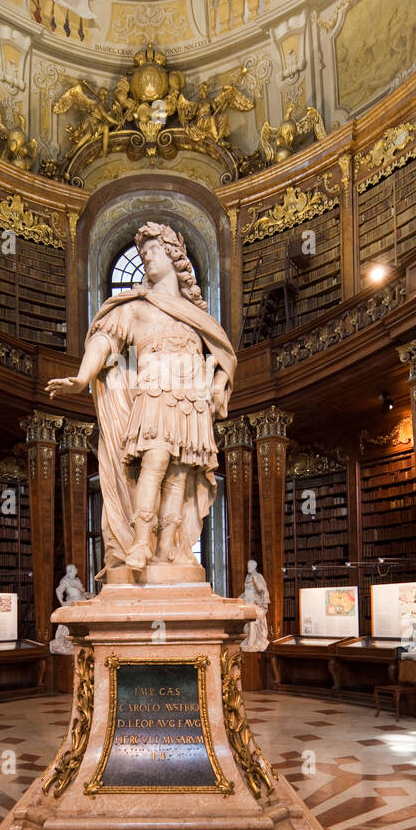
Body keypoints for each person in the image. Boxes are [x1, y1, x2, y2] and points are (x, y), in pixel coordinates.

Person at [46, 223, 235, 573]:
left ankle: (169, 549)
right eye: (142, 254)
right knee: (154, 465)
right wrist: (83, 377)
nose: (146, 258)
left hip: (190, 399)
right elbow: (105, 341)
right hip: (155, 392)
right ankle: (139, 544)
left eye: (153, 251)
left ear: (173, 255)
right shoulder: (135, 307)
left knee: (179, 475)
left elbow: (224, 357)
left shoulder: (197, 317)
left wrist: (217, 383)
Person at [241, 560, 270, 654]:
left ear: (254, 567)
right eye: (247, 566)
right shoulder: (247, 576)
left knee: (252, 621)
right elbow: (246, 591)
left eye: (250, 566)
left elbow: (261, 589)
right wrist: (239, 598)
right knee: (246, 623)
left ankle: (251, 642)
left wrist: (256, 581)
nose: (248, 568)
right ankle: (248, 639)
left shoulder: (258, 576)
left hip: (254, 601)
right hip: (247, 600)